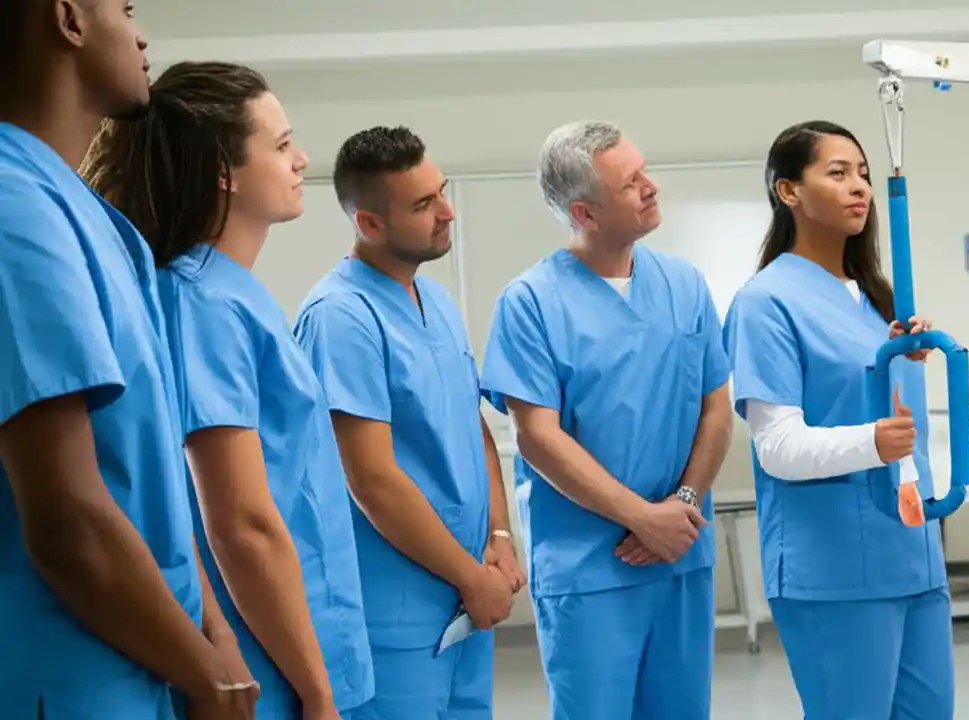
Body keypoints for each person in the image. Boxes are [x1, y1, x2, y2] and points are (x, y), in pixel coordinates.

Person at [82, 61, 374, 720]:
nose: (301, 159)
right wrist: (318, 693)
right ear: (224, 172)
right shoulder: (203, 302)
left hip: (293, 645)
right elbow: (240, 525)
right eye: (281, 144)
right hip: (270, 666)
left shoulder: (232, 294)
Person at [0, 2, 259, 718]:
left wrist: (212, 632)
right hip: (73, 676)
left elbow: (148, 479)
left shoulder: (88, 218)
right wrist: (205, 673)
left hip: (144, 660)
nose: (140, 34)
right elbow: (66, 520)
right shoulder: (14, 206)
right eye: (123, 8)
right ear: (68, 19)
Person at [479, 120, 734, 719]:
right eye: (630, 183)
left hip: (679, 551)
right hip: (590, 566)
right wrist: (642, 518)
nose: (651, 187)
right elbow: (537, 437)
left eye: (645, 171)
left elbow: (716, 407)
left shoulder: (684, 285)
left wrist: (680, 506)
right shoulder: (531, 302)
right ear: (584, 213)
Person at [293, 125, 523, 720]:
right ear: (370, 224)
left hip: (465, 598)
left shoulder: (437, 301)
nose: (448, 212)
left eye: (441, 191)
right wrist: (470, 576)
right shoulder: (341, 318)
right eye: (424, 204)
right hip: (396, 614)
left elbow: (472, 424)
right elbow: (371, 480)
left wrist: (498, 538)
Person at [721, 120, 949, 719]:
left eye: (864, 174)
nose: (861, 187)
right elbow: (777, 447)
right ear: (789, 191)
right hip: (835, 568)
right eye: (839, 172)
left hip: (913, 554)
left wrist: (905, 352)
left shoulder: (878, 301)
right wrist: (873, 441)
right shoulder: (765, 302)